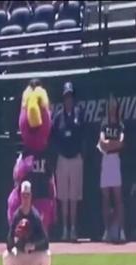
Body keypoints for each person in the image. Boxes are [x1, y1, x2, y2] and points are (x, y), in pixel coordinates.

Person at [4, 181, 52, 265]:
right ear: (20, 196)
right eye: (23, 195)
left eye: (28, 195)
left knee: (47, 256)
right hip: (20, 257)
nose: (26, 198)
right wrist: (15, 243)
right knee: (5, 256)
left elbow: (45, 241)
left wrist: (34, 245)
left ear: (31, 197)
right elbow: (8, 240)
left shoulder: (35, 216)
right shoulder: (16, 216)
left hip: (33, 258)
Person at [51, 81, 84, 241]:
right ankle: (65, 229)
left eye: (70, 96)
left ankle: (73, 229)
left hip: (76, 158)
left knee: (74, 197)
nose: (68, 100)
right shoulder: (58, 117)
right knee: (63, 197)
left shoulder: (79, 113)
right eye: (66, 97)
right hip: (63, 159)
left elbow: (83, 135)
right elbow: (54, 137)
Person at [98, 96, 126, 243]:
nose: (112, 108)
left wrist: (111, 144)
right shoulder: (104, 124)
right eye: (110, 105)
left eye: (114, 105)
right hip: (105, 160)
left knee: (117, 197)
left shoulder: (120, 125)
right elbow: (102, 143)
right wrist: (109, 144)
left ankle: (121, 231)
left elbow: (121, 143)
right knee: (106, 198)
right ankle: (107, 230)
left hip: (115, 161)